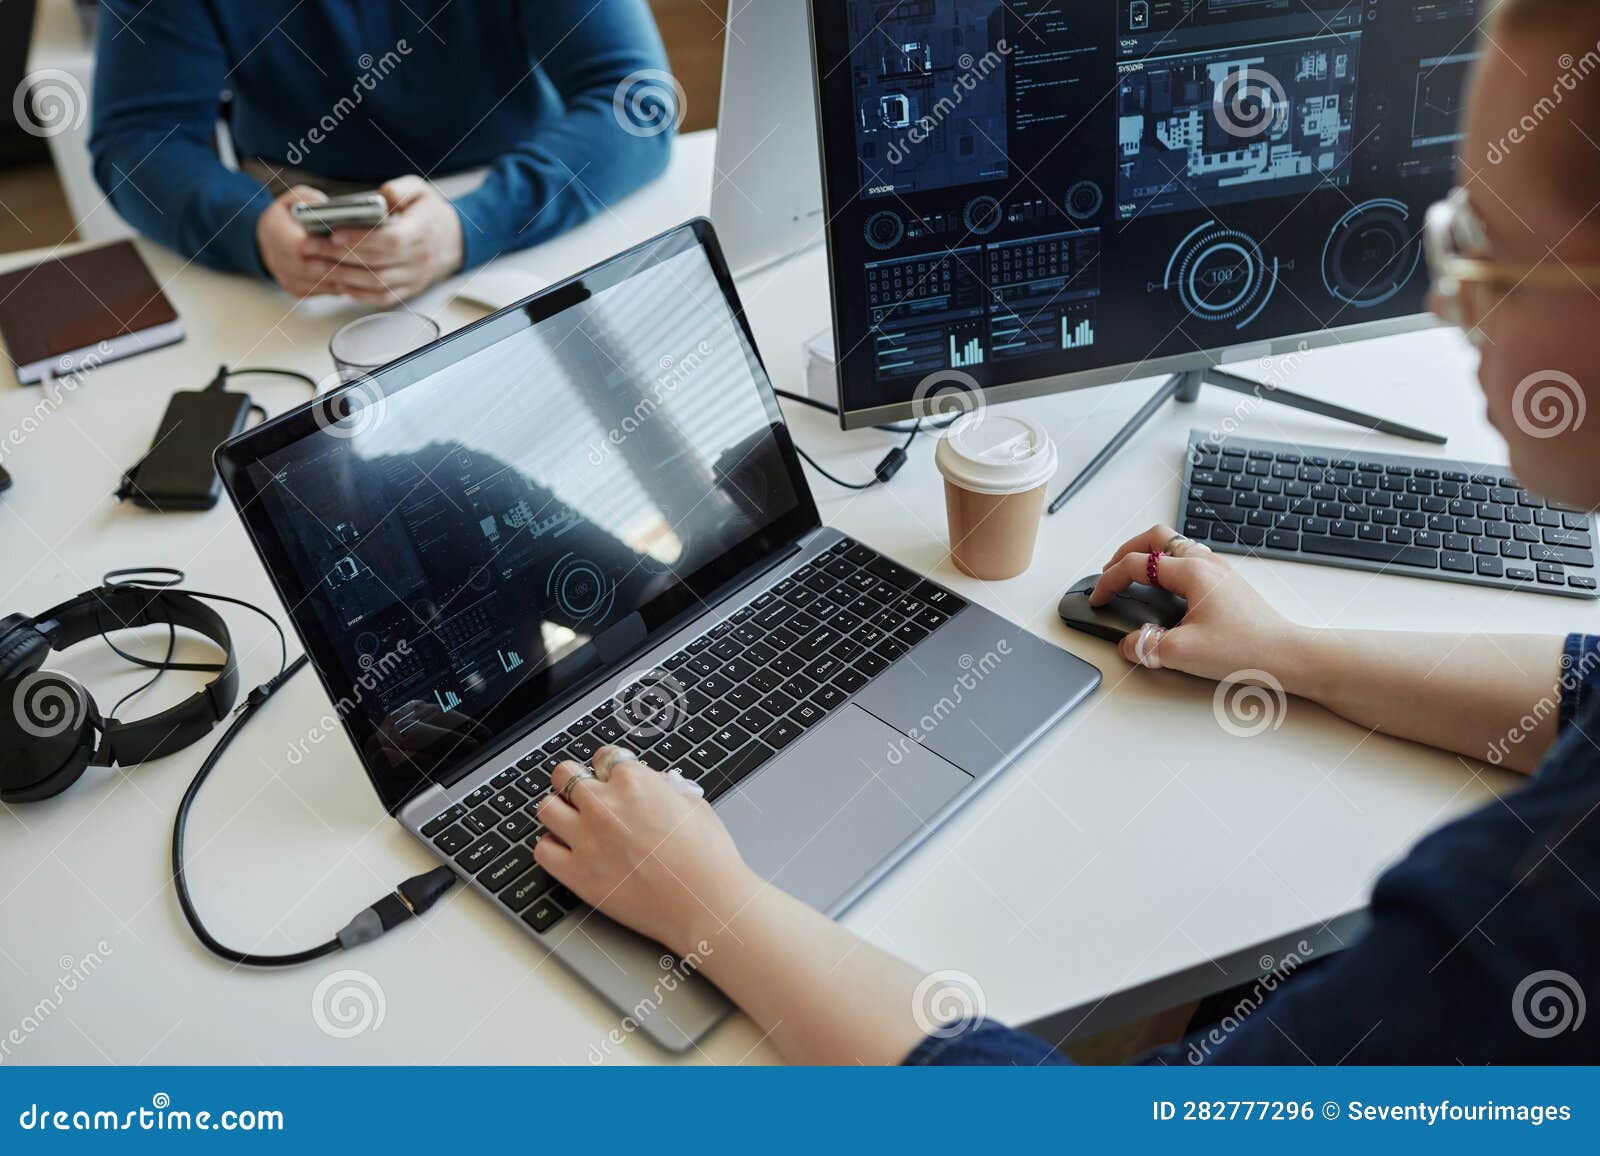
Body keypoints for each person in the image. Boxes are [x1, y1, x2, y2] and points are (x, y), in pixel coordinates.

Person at [519, 0, 1600, 1065]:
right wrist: (1293, 655)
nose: (1454, 304)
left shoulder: (1532, 916)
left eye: (1490, 250)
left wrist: (716, 908)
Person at [89, 1, 676, 303]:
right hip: (293, 222)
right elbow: (137, 139)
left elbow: (636, 101)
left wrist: (473, 224)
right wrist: (247, 228)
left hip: (523, 200)